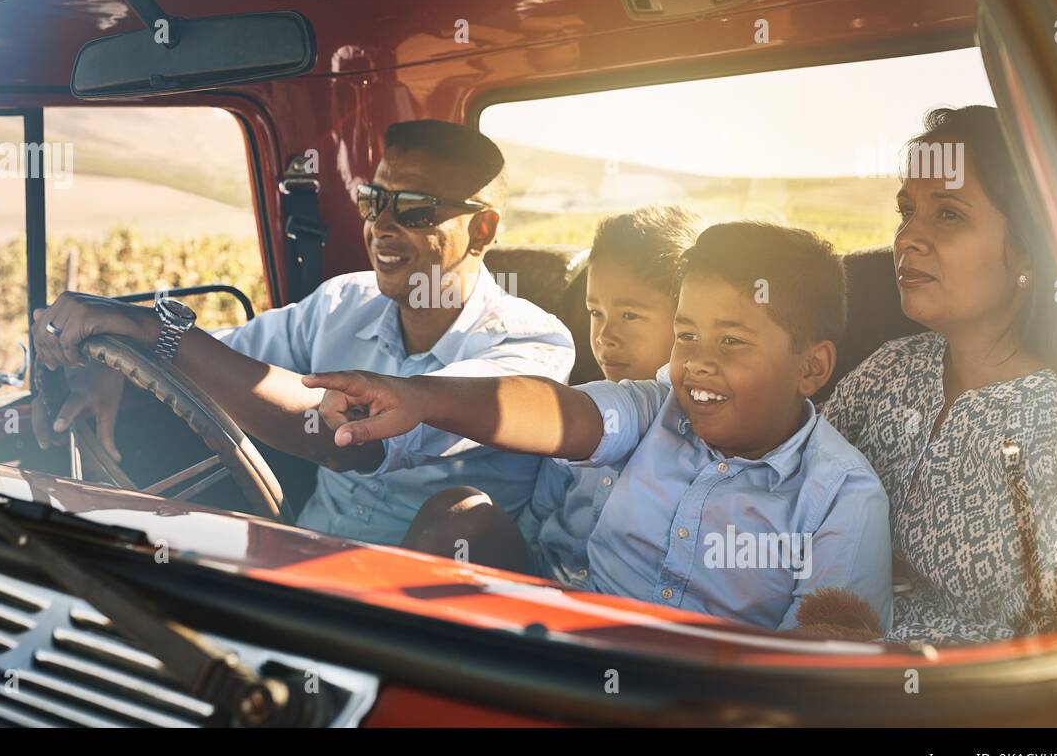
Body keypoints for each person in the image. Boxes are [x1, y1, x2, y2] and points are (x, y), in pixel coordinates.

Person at [307, 222, 893, 632]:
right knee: (456, 513)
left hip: (707, 697)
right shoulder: (656, 407)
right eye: (686, 335)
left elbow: (827, 649)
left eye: (732, 341)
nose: (698, 362)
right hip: (571, 644)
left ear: (810, 367)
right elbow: (563, 415)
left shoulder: (841, 493)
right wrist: (423, 396)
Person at [31, 120, 574, 544]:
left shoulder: (530, 347)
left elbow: (352, 444)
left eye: (413, 210)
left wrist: (158, 331)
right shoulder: (343, 303)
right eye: (373, 201)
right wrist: (111, 367)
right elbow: (224, 357)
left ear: (482, 229)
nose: (380, 226)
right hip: (306, 565)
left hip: (434, 613)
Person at [823, 105, 1057, 643]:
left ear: (1028, 247)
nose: (908, 236)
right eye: (905, 211)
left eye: (949, 214)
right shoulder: (887, 370)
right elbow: (790, 481)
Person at [398, 206, 692, 579]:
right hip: (545, 585)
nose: (605, 336)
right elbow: (539, 518)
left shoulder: (697, 429)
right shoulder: (576, 410)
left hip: (624, 608)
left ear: (687, 320)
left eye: (630, 316)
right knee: (458, 511)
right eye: (595, 313)